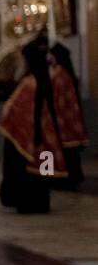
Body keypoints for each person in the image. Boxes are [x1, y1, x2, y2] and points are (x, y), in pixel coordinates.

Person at [0, 34, 67, 213]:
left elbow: (16, 110)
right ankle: (42, 201)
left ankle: (28, 202)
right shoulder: (45, 80)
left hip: (29, 137)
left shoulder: (29, 84)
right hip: (45, 137)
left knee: (28, 170)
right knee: (42, 170)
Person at [48, 43, 88, 190]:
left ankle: (61, 178)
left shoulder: (59, 75)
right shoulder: (65, 73)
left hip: (61, 120)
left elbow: (55, 98)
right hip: (69, 121)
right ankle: (72, 177)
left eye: (51, 54)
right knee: (70, 153)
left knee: (59, 151)